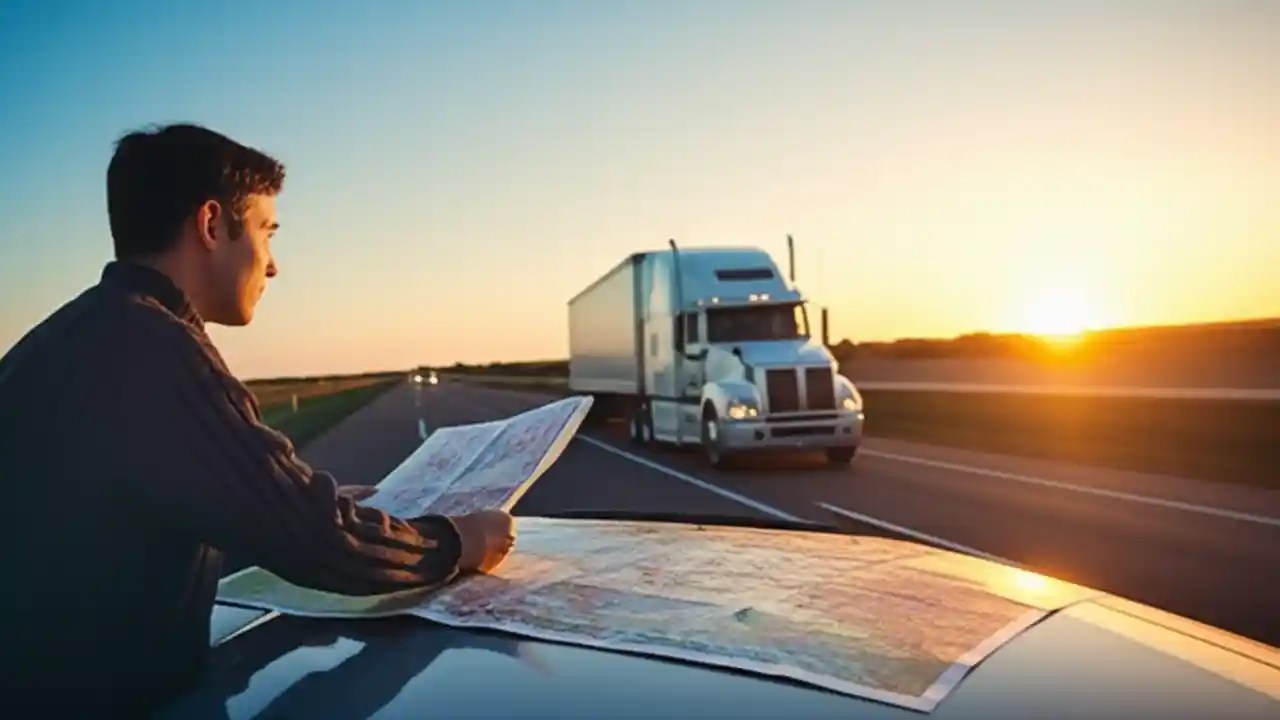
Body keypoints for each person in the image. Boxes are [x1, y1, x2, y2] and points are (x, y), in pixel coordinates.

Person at [0, 123, 516, 716]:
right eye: (267, 233)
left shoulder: (70, 334)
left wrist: (309, 498)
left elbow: (164, 508)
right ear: (213, 225)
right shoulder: (155, 348)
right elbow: (316, 539)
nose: (272, 267)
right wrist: (462, 541)